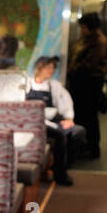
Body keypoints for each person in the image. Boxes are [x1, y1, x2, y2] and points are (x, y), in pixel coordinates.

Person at [25, 55, 83, 186]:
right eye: (48, 67)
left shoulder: (54, 85)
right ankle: (60, 174)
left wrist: (68, 118)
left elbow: (65, 102)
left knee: (78, 132)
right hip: (32, 122)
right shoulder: (26, 84)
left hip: (51, 120)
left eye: (53, 68)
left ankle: (64, 165)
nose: (51, 71)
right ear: (39, 68)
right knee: (59, 136)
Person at [68, 13, 107, 158]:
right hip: (80, 81)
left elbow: (90, 64)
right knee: (80, 115)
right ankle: (82, 145)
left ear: (91, 28)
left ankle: (93, 148)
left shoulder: (99, 42)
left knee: (89, 116)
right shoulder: (86, 39)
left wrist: (73, 69)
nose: (81, 30)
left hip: (90, 82)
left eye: (84, 27)